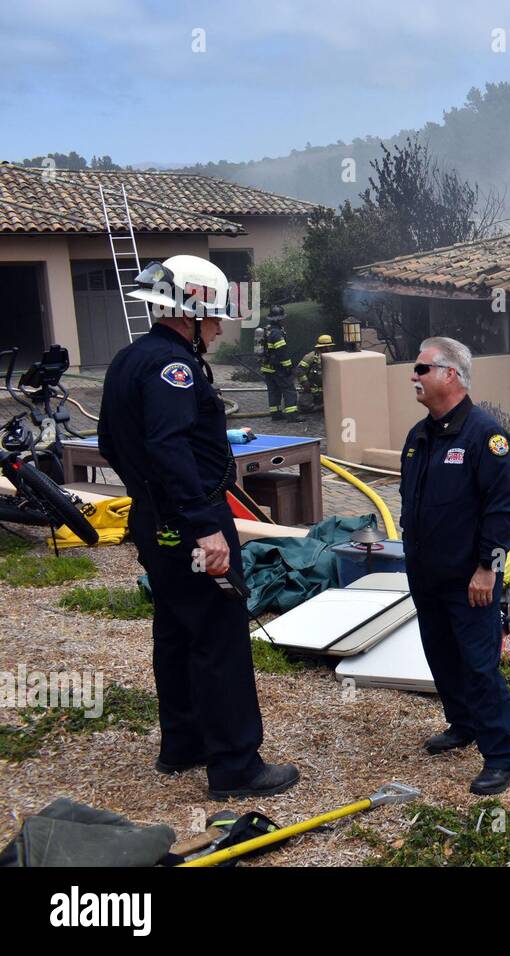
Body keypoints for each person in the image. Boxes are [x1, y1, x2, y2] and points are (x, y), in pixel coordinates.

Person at [98, 255, 299, 800]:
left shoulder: (127, 361)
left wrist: (153, 501)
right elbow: (171, 446)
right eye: (212, 317)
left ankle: (183, 744)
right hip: (194, 524)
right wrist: (206, 526)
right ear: (189, 311)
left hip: (156, 520)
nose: (218, 327)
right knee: (219, 637)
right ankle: (236, 766)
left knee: (177, 631)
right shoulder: (174, 368)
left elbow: (113, 445)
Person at [399, 336, 510, 795]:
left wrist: (488, 569)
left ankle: (503, 757)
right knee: (442, 656)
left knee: (478, 665)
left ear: (451, 374)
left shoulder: (485, 436)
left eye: (422, 368)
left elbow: (502, 510)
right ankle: (463, 724)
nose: (414, 376)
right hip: (426, 574)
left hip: (470, 579)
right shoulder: (419, 436)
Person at [257, 305, 302, 423]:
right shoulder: (277, 333)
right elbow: (282, 352)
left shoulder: (267, 330)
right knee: (289, 390)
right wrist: (288, 367)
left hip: (267, 368)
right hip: (278, 369)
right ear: (279, 319)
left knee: (273, 391)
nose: (284, 320)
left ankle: (276, 414)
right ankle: (292, 415)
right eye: (282, 318)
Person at [294, 334, 336, 413]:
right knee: (304, 406)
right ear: (321, 347)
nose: (329, 348)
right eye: (327, 346)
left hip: (328, 391)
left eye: (330, 346)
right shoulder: (311, 357)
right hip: (312, 390)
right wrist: (305, 382)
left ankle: (323, 405)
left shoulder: (333, 357)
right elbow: (299, 370)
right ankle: (321, 406)